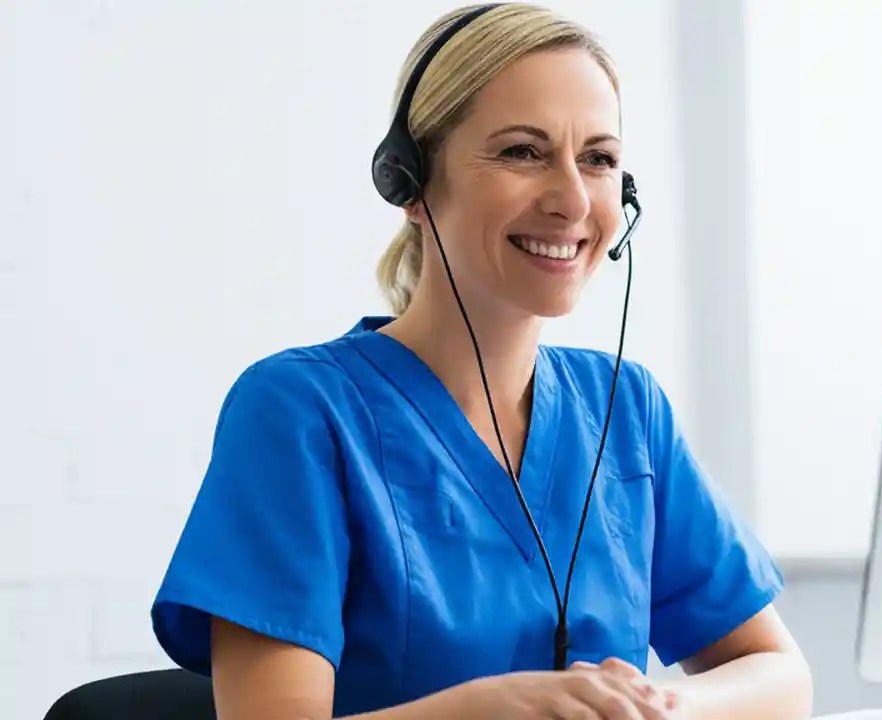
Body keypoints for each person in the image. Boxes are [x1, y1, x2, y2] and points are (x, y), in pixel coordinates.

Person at [150, 3, 812, 719]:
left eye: (598, 159)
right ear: (409, 182)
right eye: (523, 152)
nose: (572, 200)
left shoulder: (625, 407)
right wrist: (494, 709)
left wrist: (636, 707)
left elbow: (780, 677)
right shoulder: (300, 412)